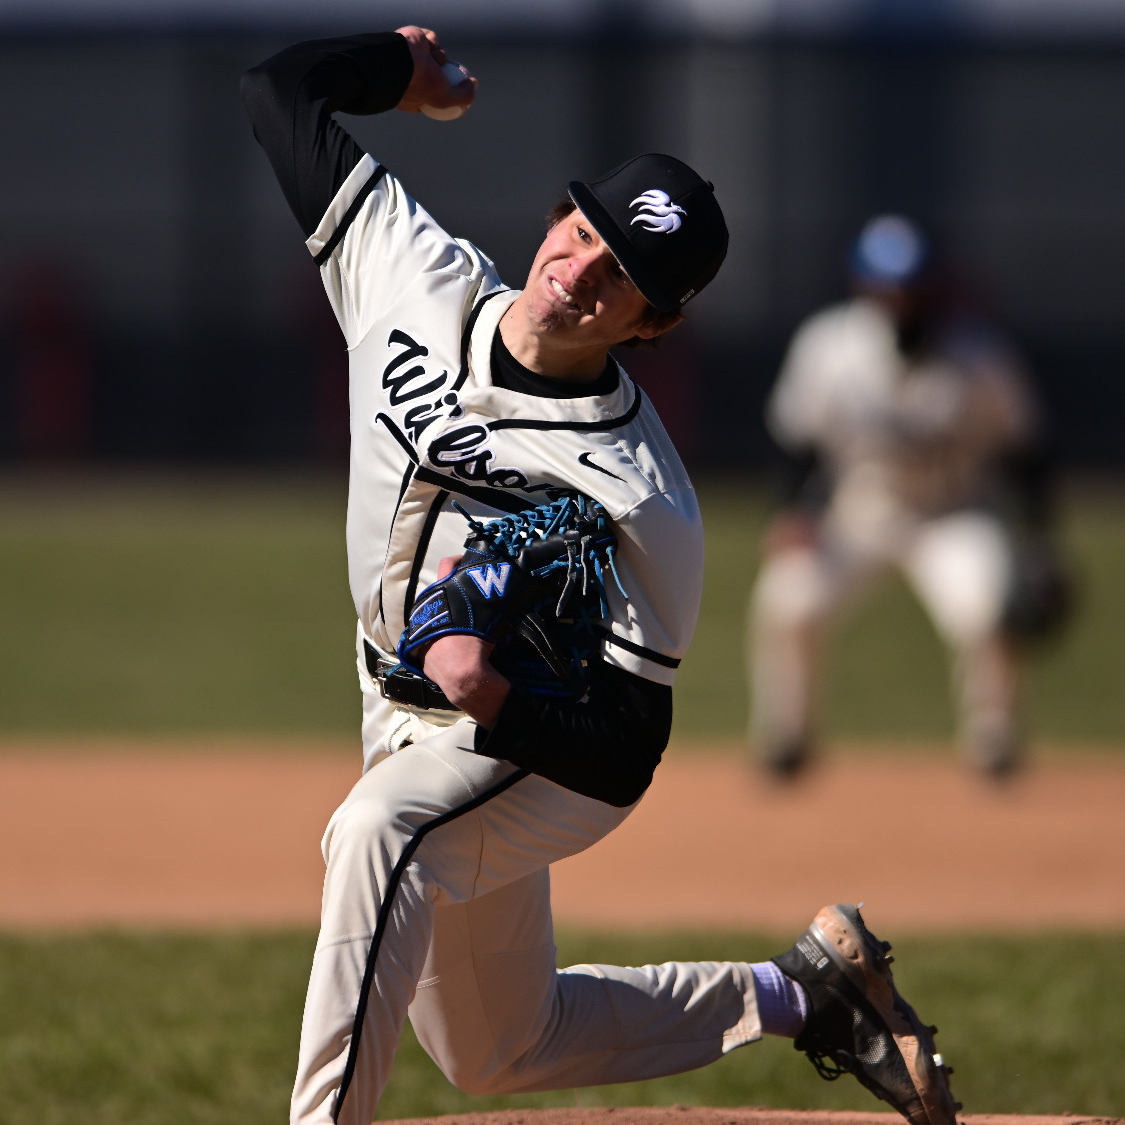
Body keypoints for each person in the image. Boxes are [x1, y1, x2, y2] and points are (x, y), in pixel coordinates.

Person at [241, 29, 959, 1125]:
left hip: (537, 755)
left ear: (654, 322)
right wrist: (401, 69)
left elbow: (626, 751)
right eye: (580, 234)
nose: (577, 273)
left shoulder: (644, 499)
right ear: (552, 221)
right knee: (496, 1048)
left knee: (377, 836)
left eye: (621, 274)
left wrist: (498, 702)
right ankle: (803, 993)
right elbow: (277, 93)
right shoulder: (407, 274)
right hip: (394, 700)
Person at [748, 215, 1066, 781]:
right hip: (858, 513)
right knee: (788, 599)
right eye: (889, 288)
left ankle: (994, 740)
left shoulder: (980, 356)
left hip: (953, 513)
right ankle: (787, 738)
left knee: (988, 608)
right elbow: (798, 441)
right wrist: (793, 512)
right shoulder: (830, 346)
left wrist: (1040, 542)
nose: (901, 302)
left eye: (913, 289)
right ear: (864, 288)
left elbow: (1026, 454)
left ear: (935, 290)